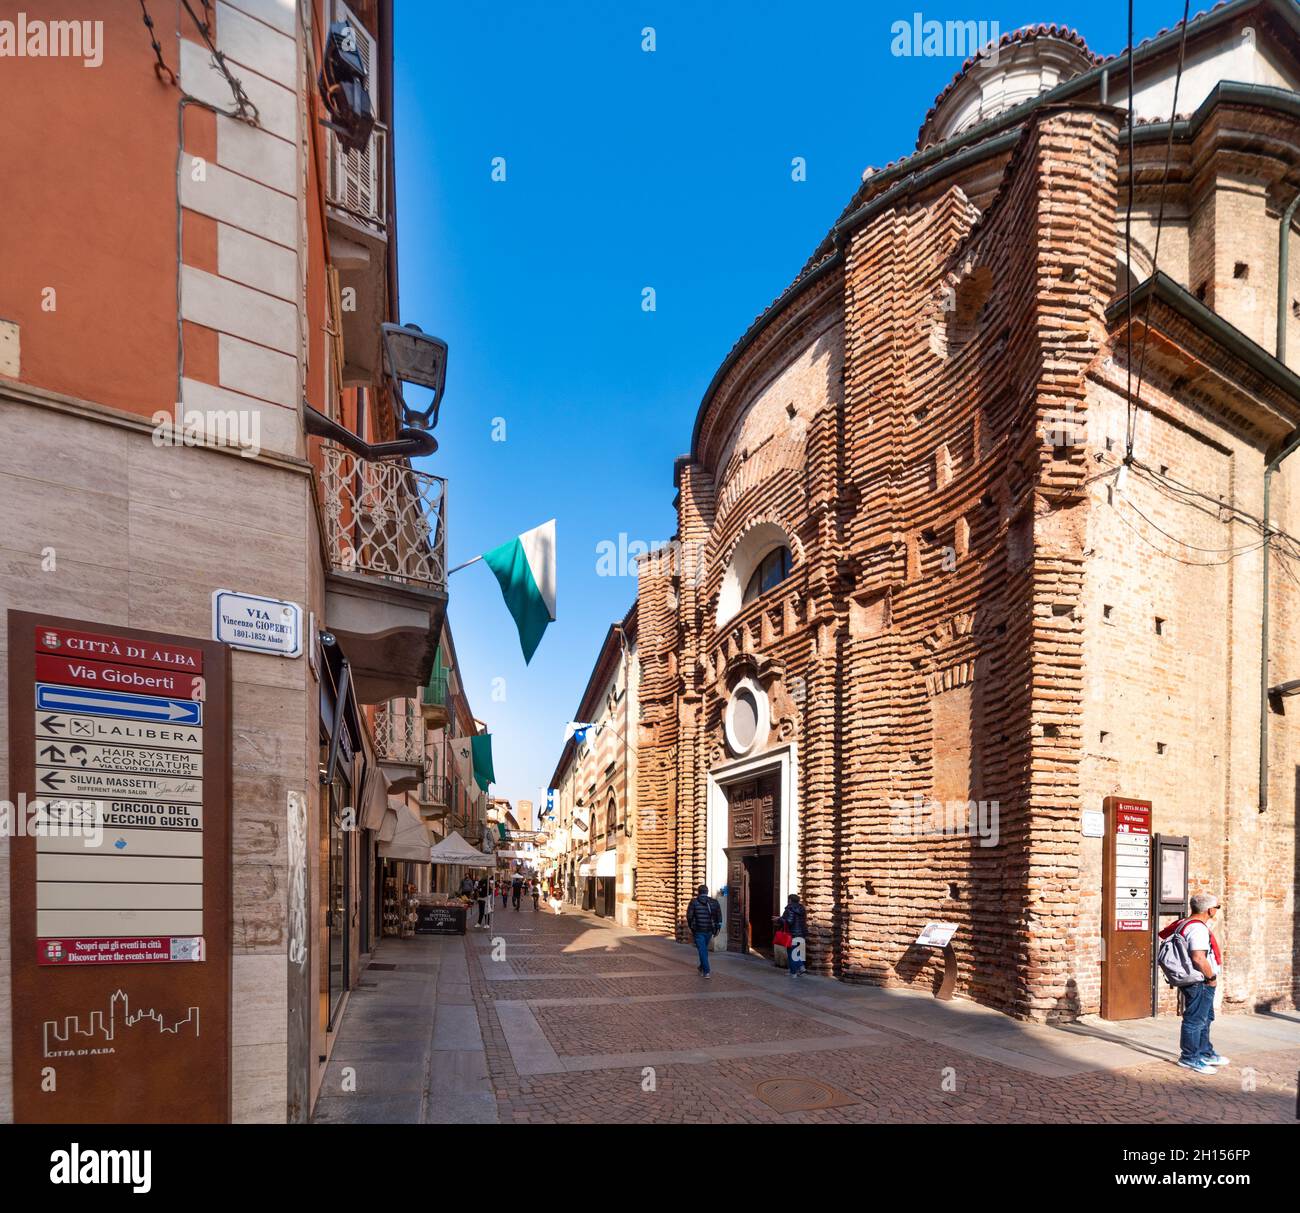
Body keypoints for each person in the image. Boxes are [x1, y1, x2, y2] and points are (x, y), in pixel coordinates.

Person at [1168, 892, 1228, 1074]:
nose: (1216, 911)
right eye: (1217, 907)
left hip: (1196, 979)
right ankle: (1189, 1057)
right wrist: (1211, 979)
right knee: (1195, 1020)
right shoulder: (1197, 929)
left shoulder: (1185, 923)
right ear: (1210, 910)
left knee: (1205, 1018)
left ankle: (1204, 1052)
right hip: (1199, 980)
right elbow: (1199, 958)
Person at [685, 884, 722, 978]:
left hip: (698, 930)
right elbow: (719, 916)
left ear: (699, 892)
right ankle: (701, 967)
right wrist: (718, 928)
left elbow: (689, 916)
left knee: (702, 950)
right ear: (707, 892)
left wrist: (691, 927)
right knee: (703, 950)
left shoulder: (694, 902)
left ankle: (706, 971)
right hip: (710, 930)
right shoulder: (714, 902)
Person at [778, 893, 808, 978]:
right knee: (799, 952)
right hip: (802, 932)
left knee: (792, 953)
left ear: (790, 900)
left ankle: (793, 973)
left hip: (793, 933)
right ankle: (801, 967)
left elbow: (789, 921)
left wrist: (780, 919)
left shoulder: (790, 909)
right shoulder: (802, 908)